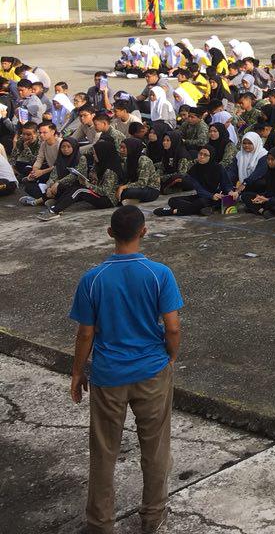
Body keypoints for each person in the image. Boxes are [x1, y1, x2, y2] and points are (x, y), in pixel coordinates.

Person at [68, 205, 182, 534]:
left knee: (104, 452)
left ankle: (101, 523)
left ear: (110, 233)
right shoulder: (160, 274)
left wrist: (77, 372)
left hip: (108, 375)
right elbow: (172, 327)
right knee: (156, 448)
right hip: (152, 371)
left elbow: (85, 333)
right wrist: (170, 356)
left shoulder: (93, 279)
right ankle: (153, 516)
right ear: (144, 232)